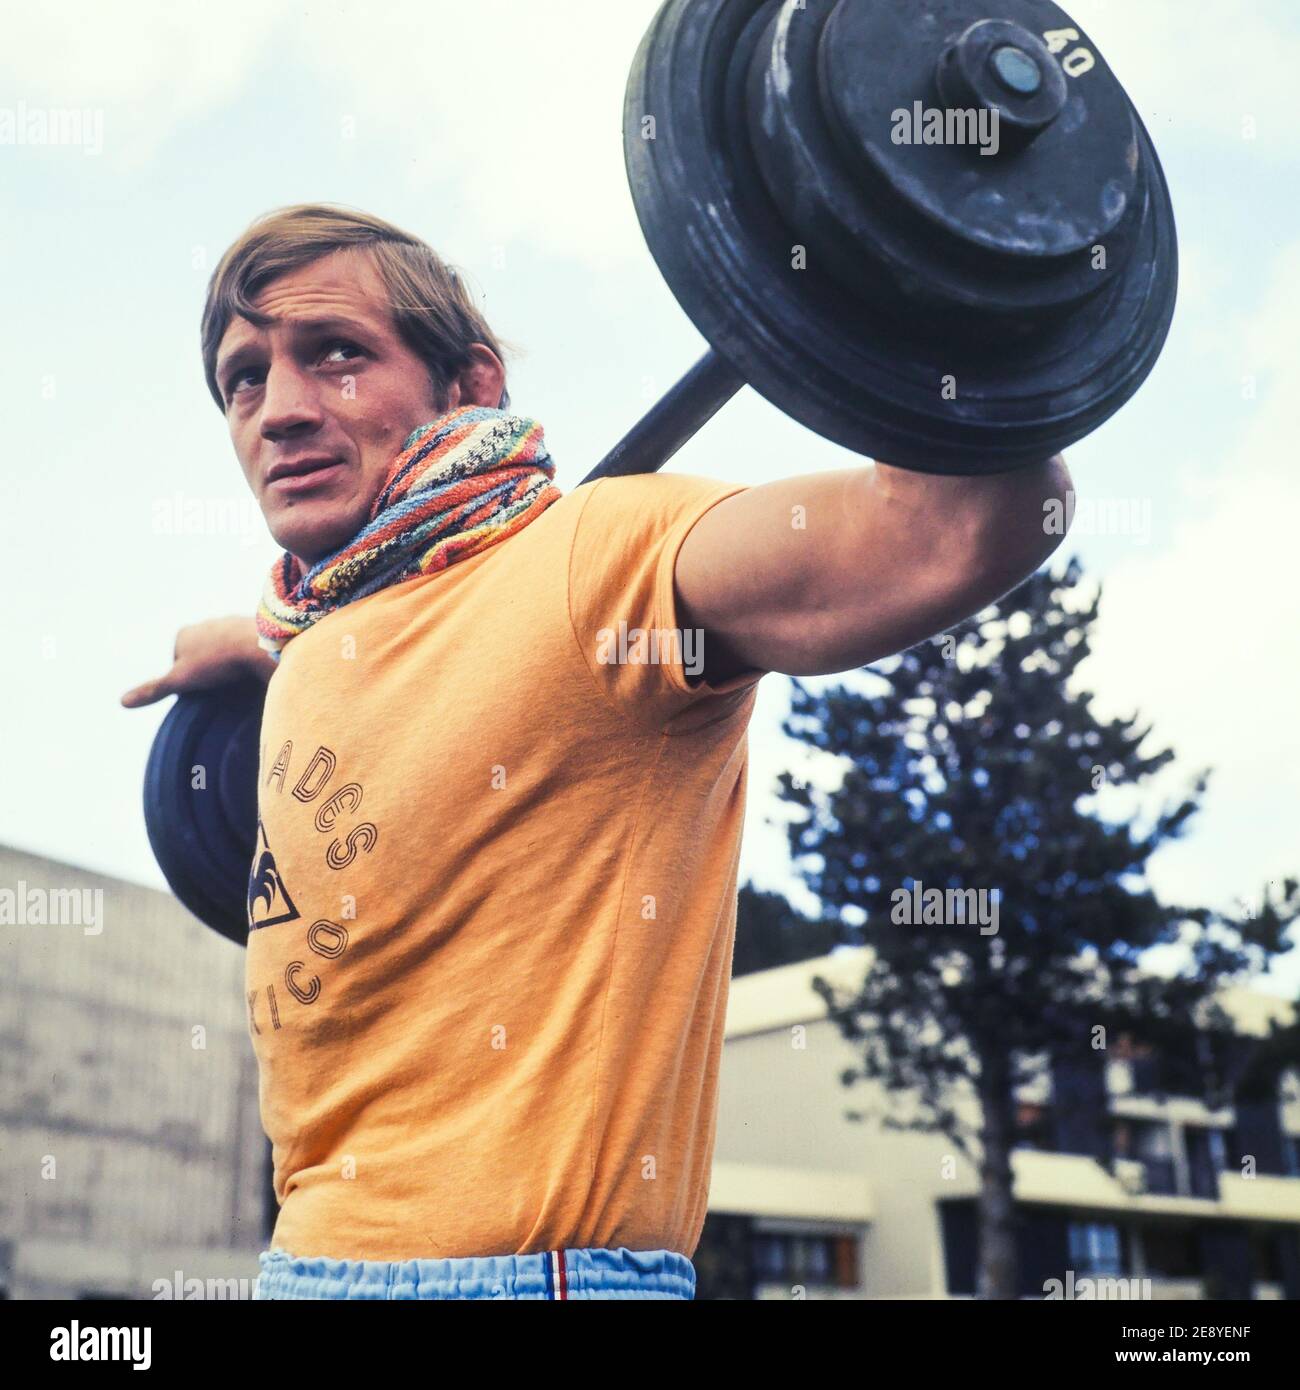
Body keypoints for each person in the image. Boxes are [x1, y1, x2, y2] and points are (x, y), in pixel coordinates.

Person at [122, 203, 1072, 1300]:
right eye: (244, 379)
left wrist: (941, 249)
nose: (280, 410)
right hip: (298, 1270)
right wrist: (250, 644)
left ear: (471, 386)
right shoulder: (313, 637)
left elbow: (966, 525)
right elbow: (387, 651)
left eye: (337, 354)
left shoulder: (597, 558)